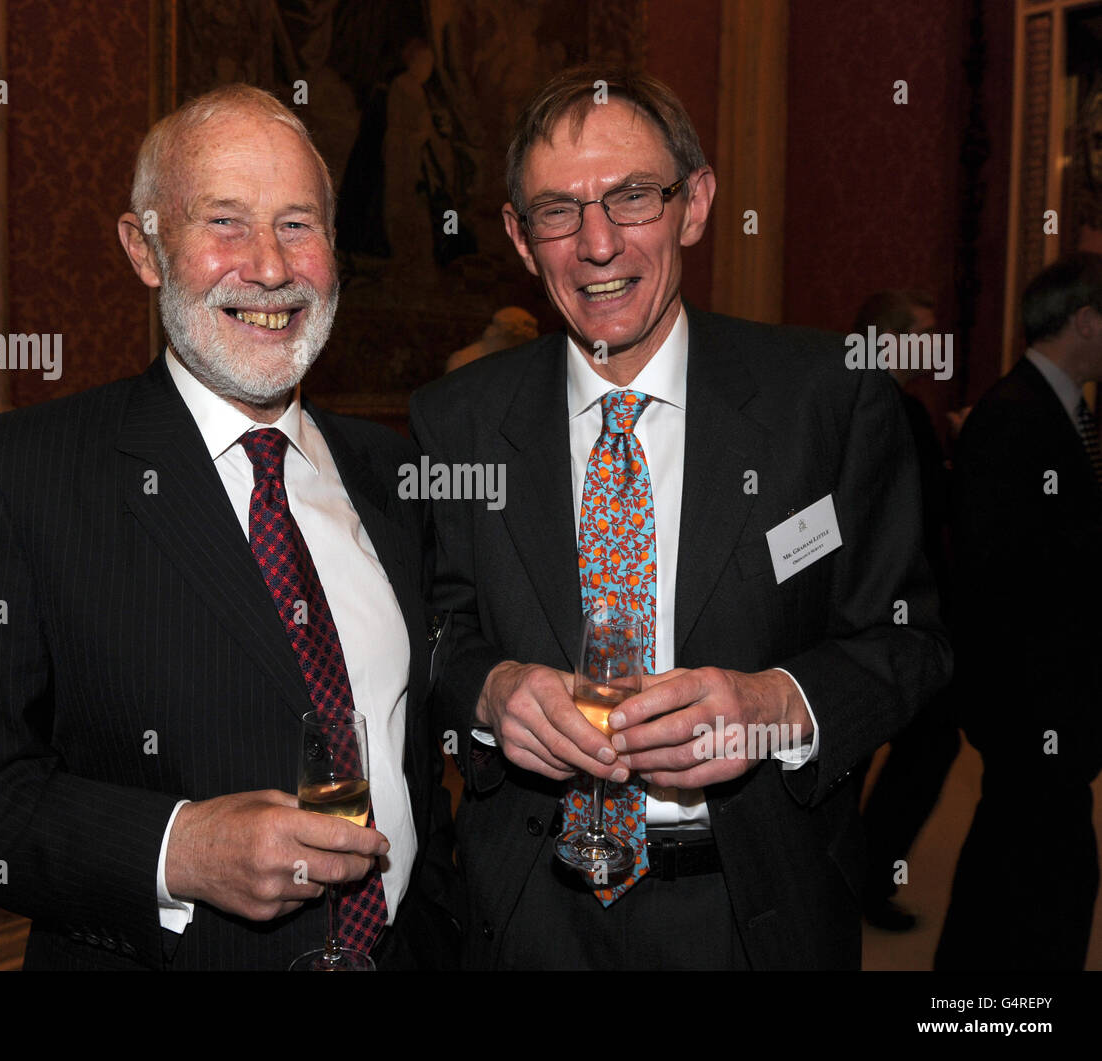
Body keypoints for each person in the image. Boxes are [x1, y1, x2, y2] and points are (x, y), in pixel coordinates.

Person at [0, 84, 457, 971]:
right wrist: (179, 848)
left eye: (298, 225)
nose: (270, 268)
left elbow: (417, 756)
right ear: (145, 246)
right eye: (225, 222)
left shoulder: (390, 474)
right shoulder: (26, 475)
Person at [409, 66, 950, 970]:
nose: (597, 244)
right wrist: (488, 688)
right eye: (556, 211)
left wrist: (778, 705)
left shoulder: (828, 399)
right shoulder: (454, 419)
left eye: (632, 197)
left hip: (754, 910)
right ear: (517, 234)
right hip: (523, 914)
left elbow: (912, 643)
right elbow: (430, 630)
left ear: (695, 204)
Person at [936, 253, 1102, 970]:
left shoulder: (1057, 409)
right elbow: (993, 574)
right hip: (1033, 699)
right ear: (1085, 320)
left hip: (1051, 695)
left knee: (1022, 861)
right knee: (1043, 869)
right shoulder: (1016, 416)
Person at [851, 290, 960, 932]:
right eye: (923, 331)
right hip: (887, 613)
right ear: (888, 335)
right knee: (916, 745)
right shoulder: (875, 403)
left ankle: (860, 875)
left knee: (888, 746)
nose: (933, 342)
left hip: (882, 610)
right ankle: (863, 877)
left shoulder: (881, 401)